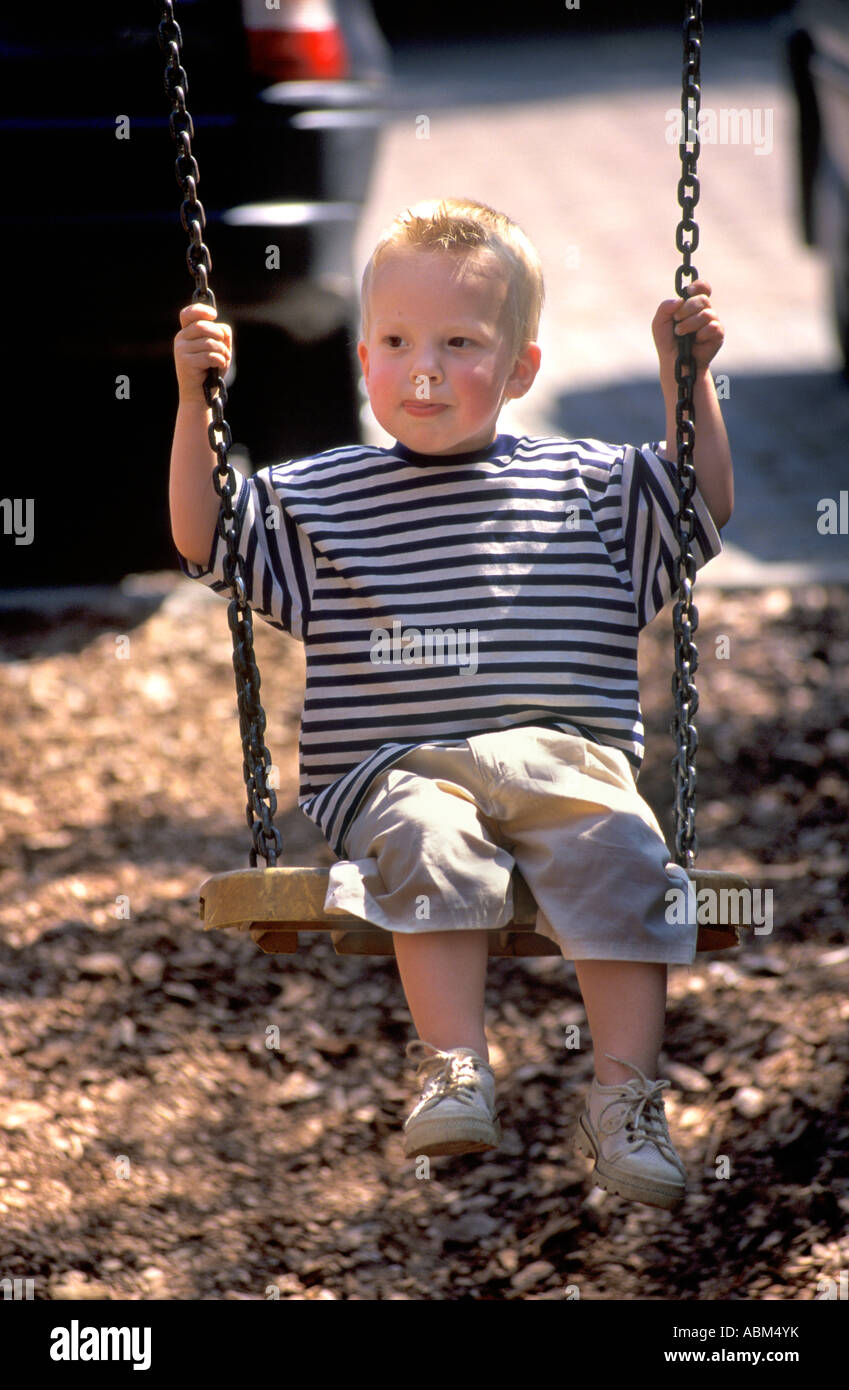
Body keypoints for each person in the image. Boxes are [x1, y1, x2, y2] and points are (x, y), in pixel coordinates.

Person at [170, 197, 733, 1211]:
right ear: (362, 358)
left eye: (460, 343)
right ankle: (453, 1064)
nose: (421, 368)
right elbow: (205, 536)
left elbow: (701, 507)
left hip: (566, 755)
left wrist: (685, 378)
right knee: (428, 832)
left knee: (619, 844)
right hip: (396, 763)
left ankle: (626, 1097)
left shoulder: (589, 485)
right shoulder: (320, 499)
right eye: (395, 341)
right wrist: (192, 398)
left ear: (520, 370)